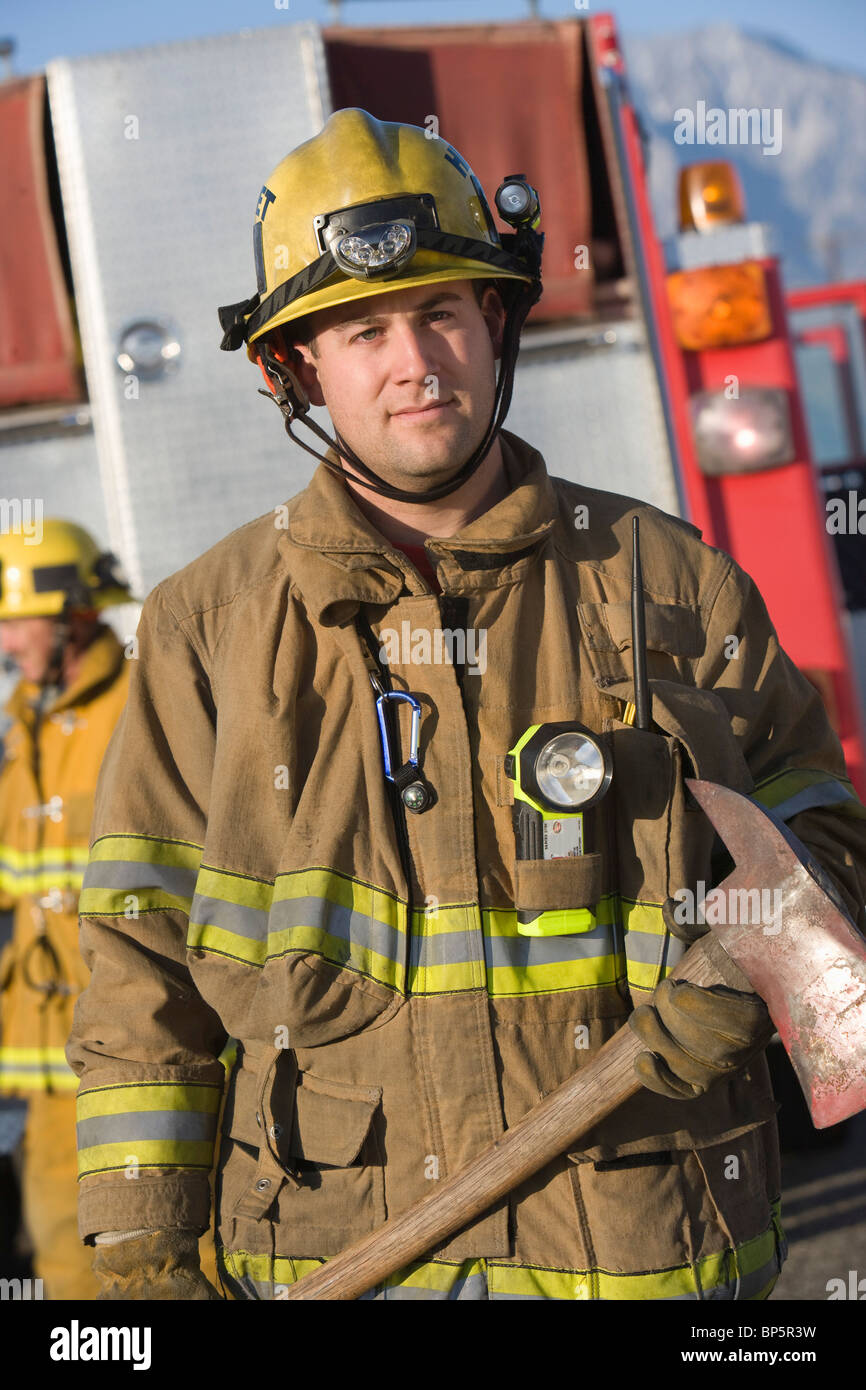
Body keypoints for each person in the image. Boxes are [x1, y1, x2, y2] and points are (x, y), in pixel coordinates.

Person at [70, 110, 866, 1302]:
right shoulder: (208, 625)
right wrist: (139, 1259)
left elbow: (820, 835)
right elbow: (140, 955)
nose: (414, 362)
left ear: (494, 327)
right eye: (360, 330)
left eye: (442, 311)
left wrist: (750, 952)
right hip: (332, 1255)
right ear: (294, 369)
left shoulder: (669, 580)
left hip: (641, 1249)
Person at [0, 521, 132, 1298]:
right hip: (47, 1052)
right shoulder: (21, 724)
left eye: (18, 619)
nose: (7, 640)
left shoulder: (141, 703)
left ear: (77, 612)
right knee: (60, 1249)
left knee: (173, 1247)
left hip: (141, 1036)